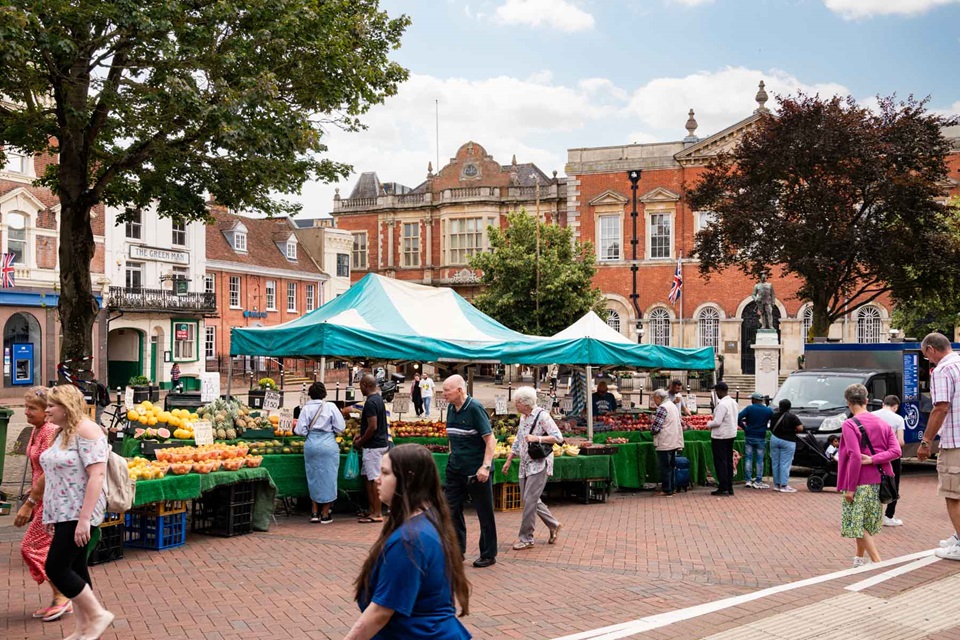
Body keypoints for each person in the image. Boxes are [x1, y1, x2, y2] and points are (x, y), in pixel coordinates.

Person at [347, 444, 471, 640]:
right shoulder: (428, 519)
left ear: (408, 478)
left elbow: (380, 613)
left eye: (385, 473)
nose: (378, 479)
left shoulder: (409, 540)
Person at [40, 384, 114, 639]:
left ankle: (98, 616)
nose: (47, 410)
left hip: (79, 510)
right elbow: (55, 477)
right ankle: (85, 629)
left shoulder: (87, 430)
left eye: (52, 405)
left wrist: (84, 519)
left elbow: (97, 475)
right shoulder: (62, 433)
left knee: (56, 568)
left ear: (67, 407)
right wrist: (50, 514)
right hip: (63, 511)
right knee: (77, 568)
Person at [14, 387, 70, 622]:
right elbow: (38, 467)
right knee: (44, 547)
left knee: (31, 547)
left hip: (49, 498)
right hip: (39, 496)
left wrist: (30, 502)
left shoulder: (49, 431)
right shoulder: (36, 430)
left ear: (46, 411)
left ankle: (63, 595)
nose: (27, 412)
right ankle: (61, 594)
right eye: (26, 407)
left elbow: (50, 469)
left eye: (32, 408)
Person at [837, 383, 901, 568]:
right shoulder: (882, 423)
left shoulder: (850, 424)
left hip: (858, 480)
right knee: (865, 521)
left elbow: (855, 456)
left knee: (858, 523)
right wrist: (874, 459)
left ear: (848, 402)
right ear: (866, 400)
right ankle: (858, 559)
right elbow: (896, 451)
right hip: (879, 480)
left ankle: (876, 561)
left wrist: (850, 488)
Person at [443, 374, 498, 568]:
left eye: (447, 390)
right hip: (455, 469)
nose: (443, 394)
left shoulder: (475, 408)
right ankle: (457, 550)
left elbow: (490, 440)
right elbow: (452, 436)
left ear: (459, 390)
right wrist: (452, 455)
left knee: (484, 512)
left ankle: (488, 554)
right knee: (450, 509)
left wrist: (485, 466)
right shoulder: (451, 408)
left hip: (476, 471)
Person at [500, 386, 563, 549]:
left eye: (518, 402)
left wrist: (537, 438)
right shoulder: (523, 417)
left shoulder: (542, 416)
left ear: (526, 403)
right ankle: (553, 524)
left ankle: (526, 538)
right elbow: (518, 439)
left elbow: (558, 437)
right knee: (528, 498)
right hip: (525, 463)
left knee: (529, 499)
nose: (515, 405)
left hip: (539, 463)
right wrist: (509, 459)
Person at [917, 333, 960, 560]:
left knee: (953, 494)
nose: (928, 360)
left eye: (926, 356)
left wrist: (926, 442)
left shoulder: (943, 370)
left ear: (931, 349)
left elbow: (941, 408)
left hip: (955, 441)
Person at [294, 382, 345, 524]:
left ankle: (314, 512)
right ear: (324, 394)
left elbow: (300, 430)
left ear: (310, 394)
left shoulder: (306, 408)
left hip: (311, 444)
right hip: (328, 444)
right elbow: (341, 427)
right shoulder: (331, 407)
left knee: (313, 477)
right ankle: (325, 513)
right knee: (329, 476)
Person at [352, 374, 391, 524]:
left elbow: (373, 426)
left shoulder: (370, 403)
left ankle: (377, 512)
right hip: (378, 444)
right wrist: (361, 435)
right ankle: (372, 509)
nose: (360, 389)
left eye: (360, 386)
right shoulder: (378, 399)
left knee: (374, 478)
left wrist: (361, 441)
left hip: (373, 446)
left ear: (365, 385)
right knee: (367, 476)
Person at [872, 395, 906, 527]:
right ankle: (888, 516)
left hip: (873, 456)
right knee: (893, 484)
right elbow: (900, 441)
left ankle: (872, 515)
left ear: (883, 404)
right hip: (892, 457)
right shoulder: (898, 419)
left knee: (873, 483)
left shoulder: (872, 416)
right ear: (895, 406)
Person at [707, 381, 738, 496]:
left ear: (720, 391)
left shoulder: (722, 405)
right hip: (731, 434)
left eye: (716, 392)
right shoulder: (733, 402)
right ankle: (729, 486)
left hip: (720, 436)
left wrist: (708, 424)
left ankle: (723, 487)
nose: (716, 394)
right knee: (728, 461)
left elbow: (717, 422)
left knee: (721, 462)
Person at [650, 389, 683, 497]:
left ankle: (666, 489)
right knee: (671, 466)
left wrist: (651, 430)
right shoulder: (672, 405)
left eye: (654, 399)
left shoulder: (662, 408)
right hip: (673, 440)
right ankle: (672, 487)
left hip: (665, 441)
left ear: (659, 397)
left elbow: (656, 427)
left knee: (665, 466)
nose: (654, 401)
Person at [738, 392, 773, 489]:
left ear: (754, 399)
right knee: (759, 460)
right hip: (761, 436)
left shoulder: (749, 408)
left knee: (748, 458)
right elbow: (773, 420)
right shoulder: (768, 410)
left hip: (749, 435)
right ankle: (758, 480)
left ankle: (748, 480)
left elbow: (738, 417)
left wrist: (744, 427)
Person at [769, 398, 804, 492]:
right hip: (788, 440)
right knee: (785, 463)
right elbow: (800, 428)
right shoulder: (792, 416)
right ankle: (784, 485)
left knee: (775, 462)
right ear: (789, 407)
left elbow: (770, 427)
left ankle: (777, 485)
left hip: (774, 439)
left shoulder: (774, 415)